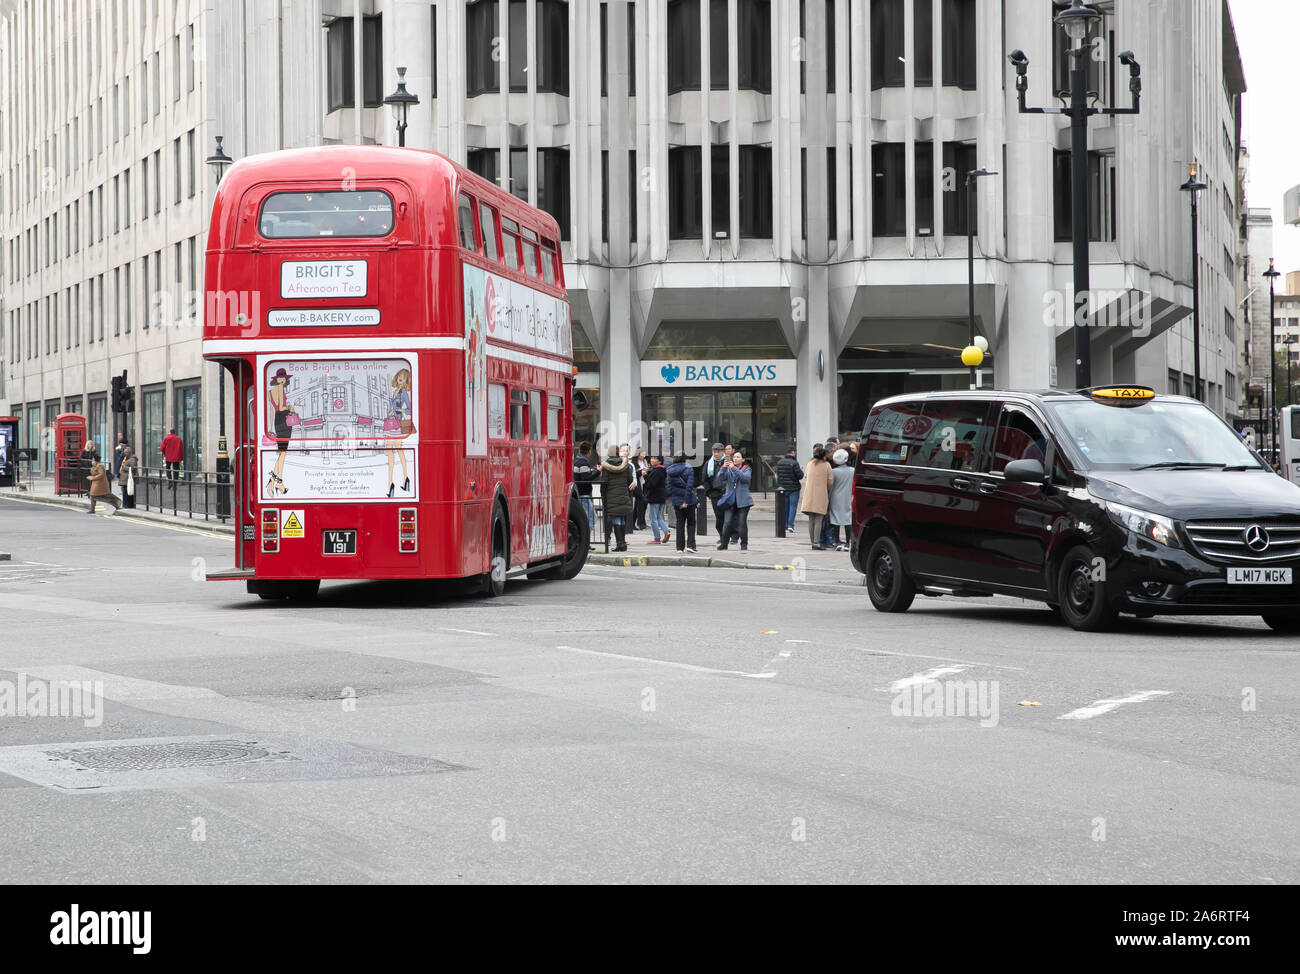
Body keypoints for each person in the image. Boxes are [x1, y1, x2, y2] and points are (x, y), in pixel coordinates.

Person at [715, 451, 754, 551]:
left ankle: (744, 544)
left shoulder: (747, 469)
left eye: (738, 457)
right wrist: (724, 467)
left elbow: (745, 478)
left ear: (743, 459)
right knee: (727, 522)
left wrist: (733, 468)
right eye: (734, 457)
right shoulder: (728, 469)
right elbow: (720, 477)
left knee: (742, 523)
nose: (735, 459)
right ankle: (724, 543)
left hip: (743, 501)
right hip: (730, 501)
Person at [798, 444, 834, 549]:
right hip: (821, 494)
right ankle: (816, 542)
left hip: (809, 494)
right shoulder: (826, 465)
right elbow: (830, 480)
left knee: (811, 519)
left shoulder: (810, 464)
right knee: (818, 519)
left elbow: (806, 476)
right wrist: (825, 488)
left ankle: (812, 541)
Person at [599, 446, 634, 551]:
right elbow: (630, 480)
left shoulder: (606, 466)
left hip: (611, 496)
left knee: (616, 519)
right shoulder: (625, 465)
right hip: (623, 495)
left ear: (609, 454)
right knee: (621, 519)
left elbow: (604, 483)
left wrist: (603, 494)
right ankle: (622, 543)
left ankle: (620, 544)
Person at [385, 368, 413, 498]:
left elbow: (409, 410)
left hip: (397, 424)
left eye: (404, 378)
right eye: (399, 376)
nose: (400, 379)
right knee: (392, 451)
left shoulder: (404, 393)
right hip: (391, 423)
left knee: (397, 449)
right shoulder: (395, 392)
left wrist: (399, 410)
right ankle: (393, 482)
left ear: (406, 381)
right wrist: (391, 412)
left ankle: (402, 479)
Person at [266, 367, 293, 495]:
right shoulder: (280, 389)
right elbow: (282, 407)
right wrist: (290, 408)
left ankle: (277, 483)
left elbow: (272, 411)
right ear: (279, 379)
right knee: (283, 454)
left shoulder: (270, 392)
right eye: (282, 378)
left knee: (282, 453)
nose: (283, 380)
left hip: (277, 422)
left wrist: (271, 428)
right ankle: (275, 482)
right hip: (284, 421)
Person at [666, 453, 697, 553]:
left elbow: (669, 488)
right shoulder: (689, 469)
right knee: (691, 523)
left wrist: (680, 496)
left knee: (680, 524)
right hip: (689, 501)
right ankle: (691, 546)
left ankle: (679, 547)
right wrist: (686, 500)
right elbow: (689, 487)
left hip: (676, 501)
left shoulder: (669, 471)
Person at [828, 448, 854, 551]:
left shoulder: (833, 472)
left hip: (835, 497)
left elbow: (831, 486)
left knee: (835, 519)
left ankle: (837, 541)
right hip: (848, 496)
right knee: (848, 520)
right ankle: (848, 542)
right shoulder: (853, 471)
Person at [700, 443, 727, 536]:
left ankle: (732, 536)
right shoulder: (709, 463)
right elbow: (705, 479)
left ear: (723, 452)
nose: (716, 454)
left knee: (729, 516)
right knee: (719, 516)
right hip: (715, 493)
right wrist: (710, 493)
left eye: (718, 452)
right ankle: (722, 535)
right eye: (714, 452)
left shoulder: (728, 461)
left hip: (727, 492)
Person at [643, 455, 671, 544]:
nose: (652, 460)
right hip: (661, 497)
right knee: (659, 517)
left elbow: (651, 484)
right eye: (651, 458)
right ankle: (666, 531)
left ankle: (657, 538)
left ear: (659, 461)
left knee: (653, 518)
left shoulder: (656, 471)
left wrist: (645, 476)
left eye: (655, 459)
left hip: (654, 497)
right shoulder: (662, 470)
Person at [775, 446, 803, 530]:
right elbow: (800, 476)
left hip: (783, 488)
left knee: (785, 507)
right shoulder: (794, 463)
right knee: (792, 507)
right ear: (792, 452)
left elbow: (778, 475)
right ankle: (790, 525)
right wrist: (800, 470)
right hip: (794, 488)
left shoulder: (779, 462)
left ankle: (785, 525)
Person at [574, 440, 597, 532]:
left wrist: (589, 471)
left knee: (588, 518)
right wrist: (597, 472)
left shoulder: (577, 461)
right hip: (584, 495)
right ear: (588, 451)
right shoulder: (583, 462)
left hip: (580, 494)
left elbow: (581, 476)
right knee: (591, 518)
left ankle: (585, 541)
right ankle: (586, 540)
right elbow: (586, 479)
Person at [631, 449, 650, 530]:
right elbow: (633, 474)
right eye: (642, 454)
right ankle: (640, 523)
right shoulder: (633, 463)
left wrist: (647, 470)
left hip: (643, 484)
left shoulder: (644, 461)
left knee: (639, 505)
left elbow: (646, 472)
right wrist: (641, 473)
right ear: (638, 454)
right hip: (636, 484)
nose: (644, 456)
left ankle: (635, 523)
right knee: (641, 502)